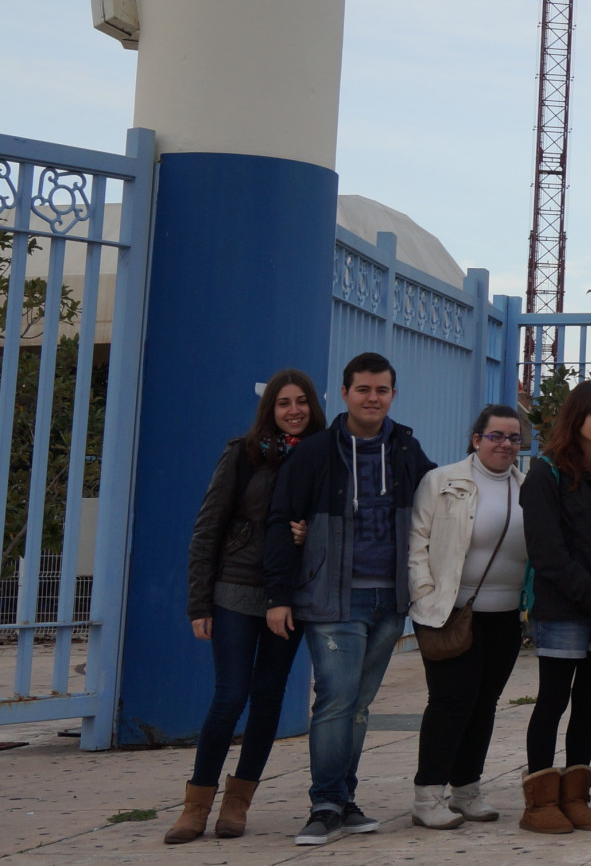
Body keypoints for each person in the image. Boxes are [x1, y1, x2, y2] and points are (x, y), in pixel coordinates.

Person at [265, 352, 434, 848]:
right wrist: (279, 596)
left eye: (381, 390)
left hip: (389, 601)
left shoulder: (405, 448)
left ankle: (344, 797)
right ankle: (324, 803)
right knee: (336, 701)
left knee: (359, 706)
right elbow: (281, 520)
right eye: (363, 389)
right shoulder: (316, 452)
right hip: (331, 600)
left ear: (392, 395)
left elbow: (438, 503)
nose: (372, 398)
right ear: (344, 393)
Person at [166, 371, 326, 844]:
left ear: (312, 406)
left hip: (291, 596)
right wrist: (200, 602)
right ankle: (196, 805)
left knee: (268, 699)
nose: (293, 410)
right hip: (235, 588)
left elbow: (342, 523)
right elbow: (207, 527)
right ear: (270, 410)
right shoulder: (243, 453)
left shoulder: (325, 456)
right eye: (283, 403)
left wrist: (310, 531)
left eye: (300, 402)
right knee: (230, 695)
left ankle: (237, 804)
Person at [519, 381, 591, 834]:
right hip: (566, 608)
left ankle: (575, 795)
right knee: (553, 699)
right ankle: (539, 800)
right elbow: (547, 551)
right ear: (575, 417)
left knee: (589, 703)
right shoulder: (545, 473)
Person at [407, 406, 531, 830]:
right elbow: (417, 544)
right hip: (451, 615)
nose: (506, 445)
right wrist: (425, 599)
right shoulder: (442, 481)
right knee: (450, 702)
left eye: (514, 438)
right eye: (496, 436)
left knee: (484, 705)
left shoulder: (527, 487)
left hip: (504, 617)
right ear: (476, 439)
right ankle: (427, 795)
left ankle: (466, 790)